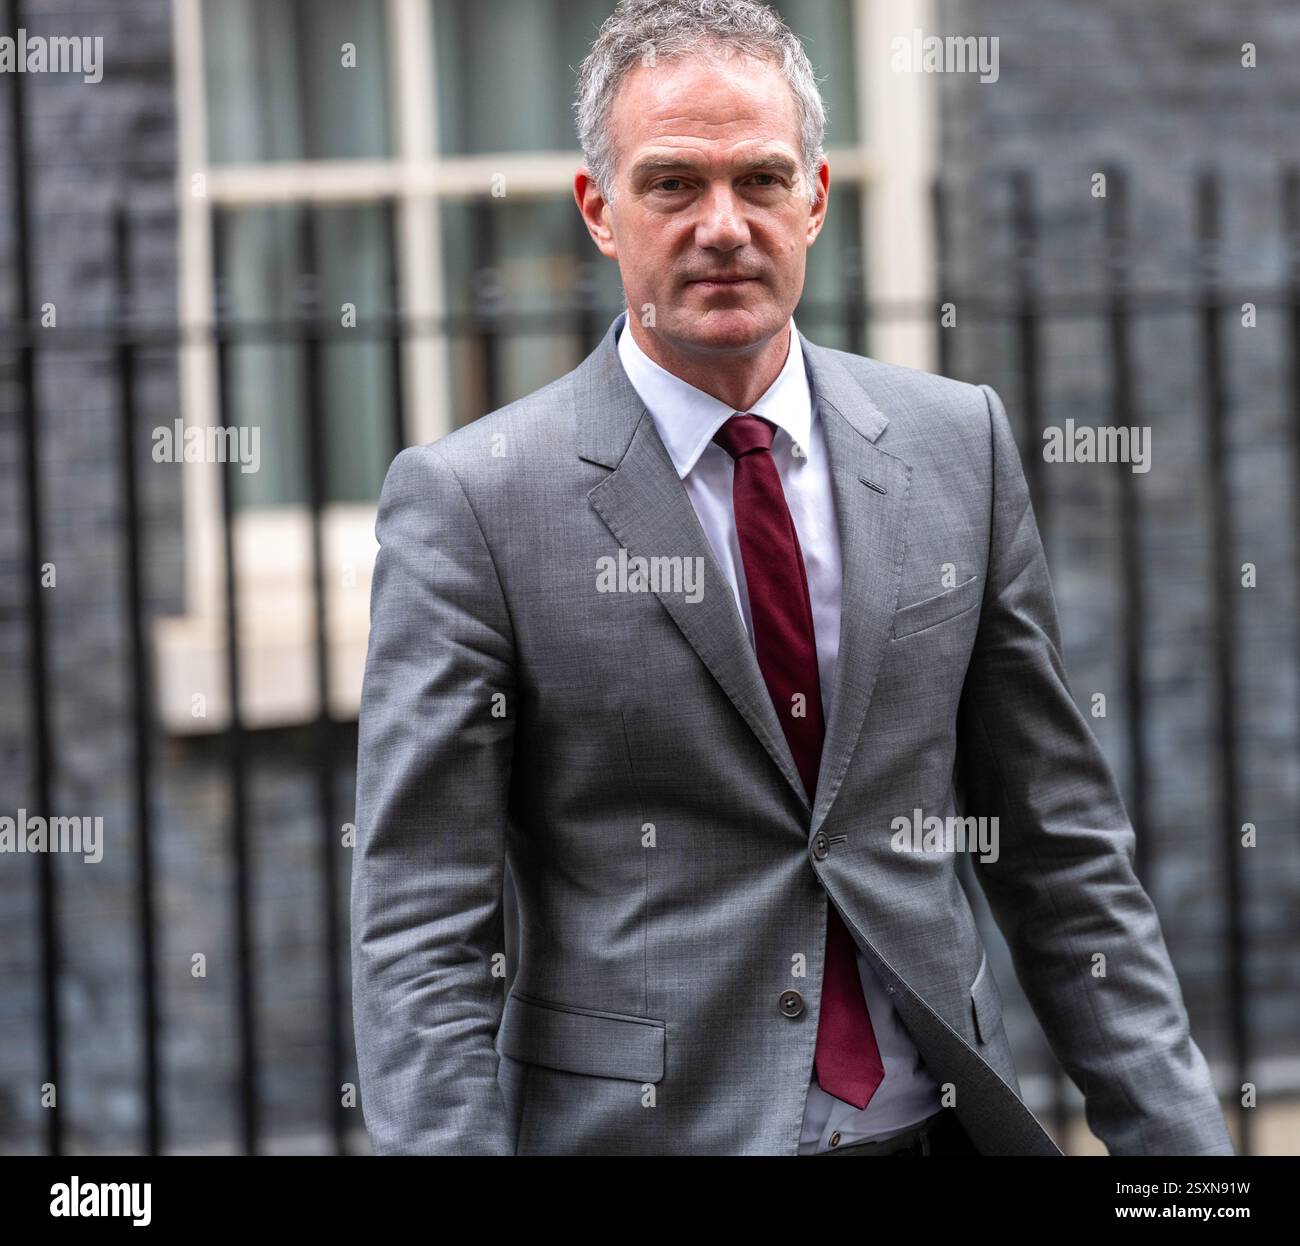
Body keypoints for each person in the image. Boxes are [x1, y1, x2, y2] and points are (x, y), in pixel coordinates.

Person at [350, 0, 1233, 1157]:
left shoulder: (953, 443)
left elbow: (1058, 845)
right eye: (672, 184)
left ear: (814, 197)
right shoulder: (473, 501)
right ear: (598, 209)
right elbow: (422, 924)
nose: (724, 226)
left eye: (761, 180)